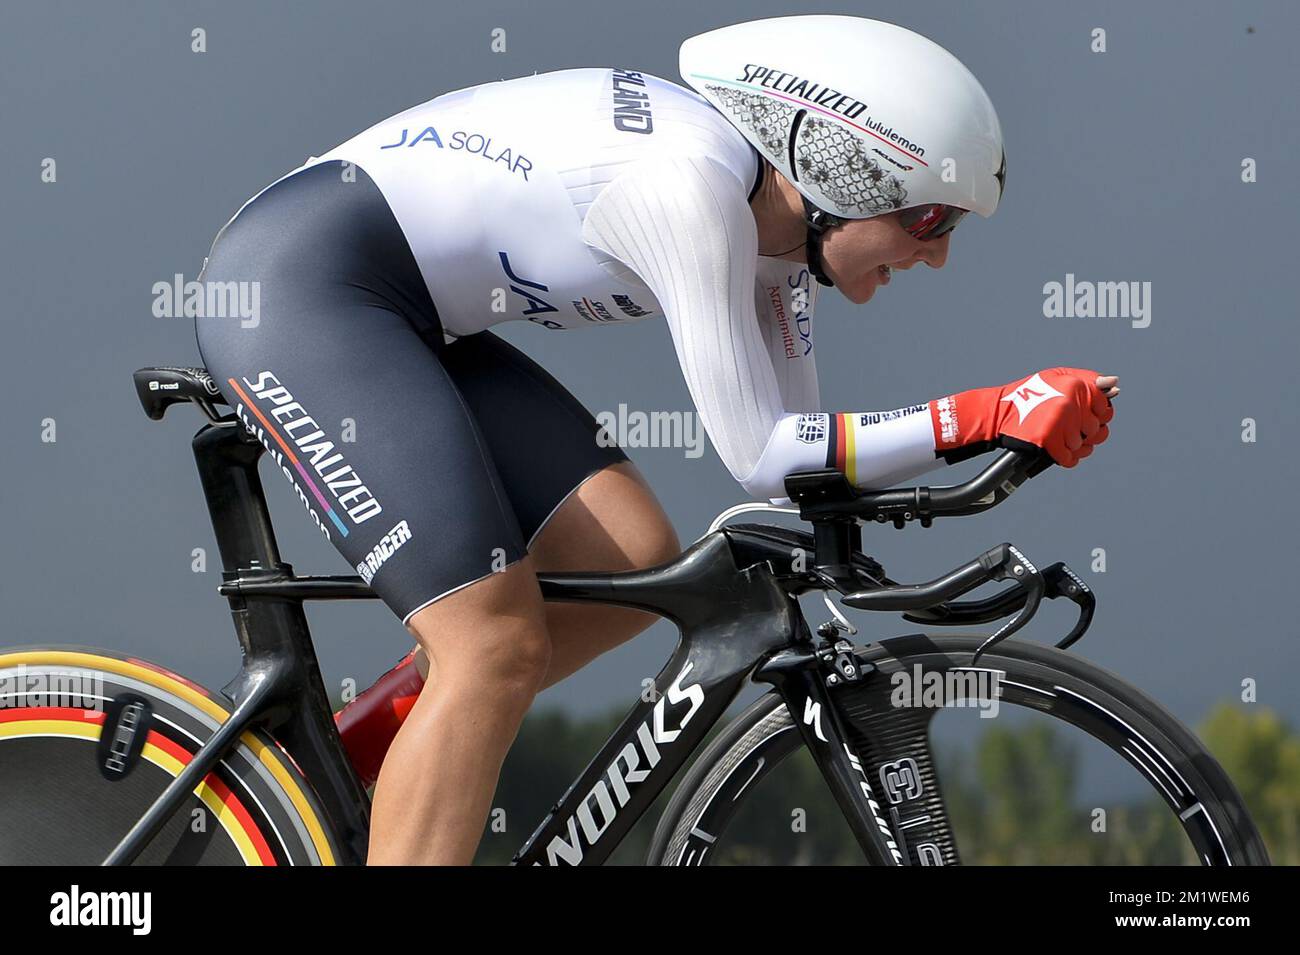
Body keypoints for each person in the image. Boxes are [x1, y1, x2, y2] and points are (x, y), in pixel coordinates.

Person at [195, 15, 1116, 865]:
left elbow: (798, 469)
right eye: (929, 220)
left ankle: (342, 760)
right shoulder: (690, 192)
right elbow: (763, 452)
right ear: (846, 175)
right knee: (492, 646)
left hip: (407, 315)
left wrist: (993, 448)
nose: (941, 252)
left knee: (630, 565)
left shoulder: (779, 248)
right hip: (302, 290)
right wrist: (987, 412)